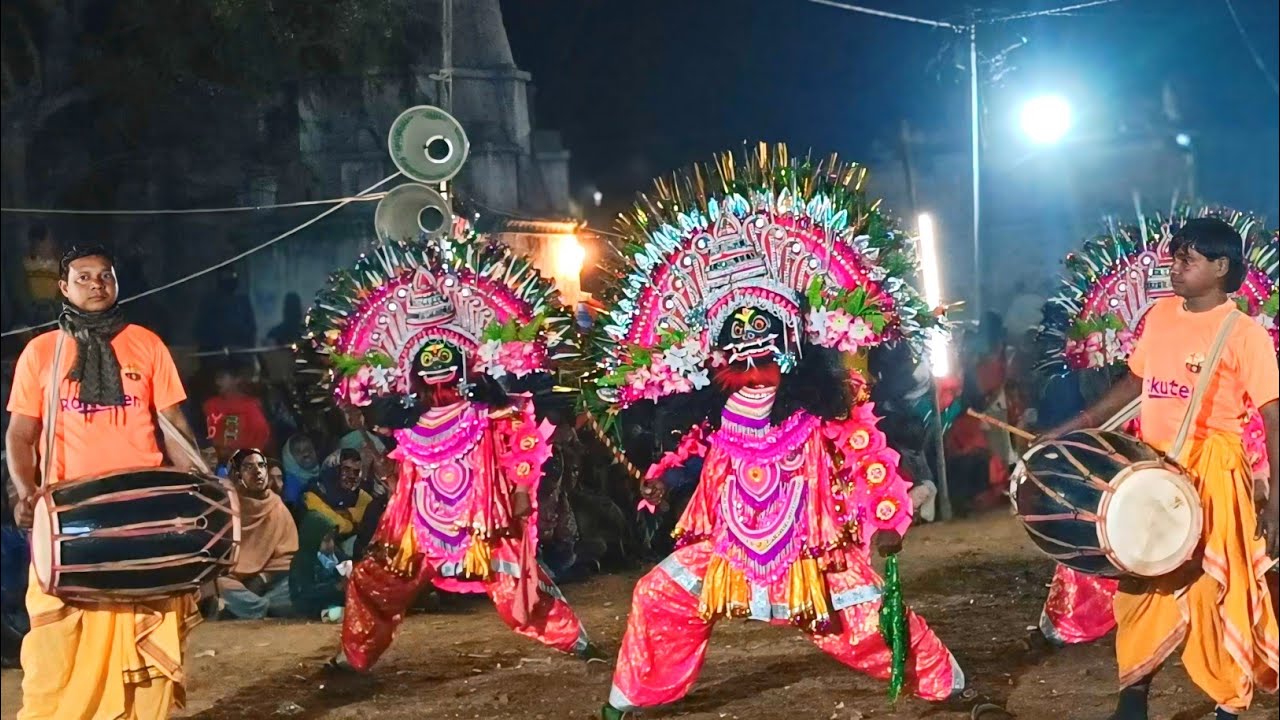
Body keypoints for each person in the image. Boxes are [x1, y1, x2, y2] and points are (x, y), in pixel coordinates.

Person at [1043, 218, 1279, 720]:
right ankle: (1134, 695)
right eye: (1173, 258)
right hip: (1152, 466)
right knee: (1140, 580)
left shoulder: (1245, 334)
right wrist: (1073, 426)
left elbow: (1274, 419)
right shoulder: (1161, 315)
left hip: (1214, 473)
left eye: (1187, 260)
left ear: (1220, 267)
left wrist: (1277, 500)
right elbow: (1134, 384)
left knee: (1216, 587)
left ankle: (1228, 705)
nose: (1174, 268)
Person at [5, 245, 203, 720]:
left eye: (105, 276)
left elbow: (172, 424)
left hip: (142, 511)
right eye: (84, 277)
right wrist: (24, 489)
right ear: (64, 288)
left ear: (117, 282)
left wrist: (200, 482)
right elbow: (20, 432)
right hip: (69, 513)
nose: (97, 284)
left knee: (144, 628)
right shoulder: (42, 352)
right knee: (57, 637)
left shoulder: (147, 344)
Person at [213, 449, 298, 620]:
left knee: (294, 586)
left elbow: (287, 557)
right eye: (248, 467)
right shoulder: (225, 506)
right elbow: (217, 557)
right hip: (234, 581)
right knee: (219, 585)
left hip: (270, 581)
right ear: (236, 474)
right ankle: (263, 608)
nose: (257, 472)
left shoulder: (276, 505)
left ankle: (246, 608)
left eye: (261, 466)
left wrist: (263, 578)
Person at [302, 449, 375, 555]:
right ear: (334, 469)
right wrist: (351, 522)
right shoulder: (312, 493)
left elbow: (371, 512)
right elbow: (335, 524)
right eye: (346, 470)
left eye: (356, 472)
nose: (352, 476)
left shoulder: (359, 495)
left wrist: (347, 515)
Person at [203, 364, 273, 464]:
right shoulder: (210, 405)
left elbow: (261, 441)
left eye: (222, 377)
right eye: (216, 378)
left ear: (237, 379)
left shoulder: (252, 408)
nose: (217, 382)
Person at [280, 433, 321, 506]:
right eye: (298, 451)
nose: (306, 453)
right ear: (289, 458)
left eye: (308, 448)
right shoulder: (290, 486)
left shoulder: (322, 471)